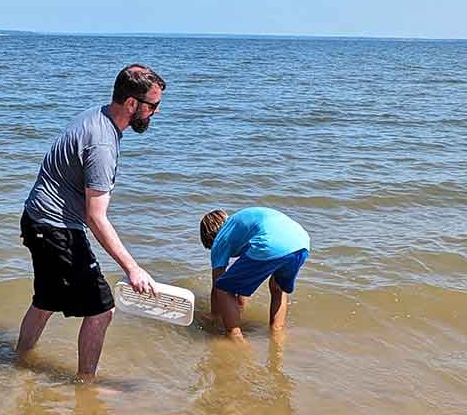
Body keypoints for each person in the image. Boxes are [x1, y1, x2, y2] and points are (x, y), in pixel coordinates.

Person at [16, 64, 167, 380]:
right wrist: (133, 269)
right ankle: (86, 385)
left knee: (46, 301)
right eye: (153, 106)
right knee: (102, 309)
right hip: (54, 227)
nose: (156, 112)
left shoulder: (99, 116)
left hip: (37, 219)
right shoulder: (102, 144)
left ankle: (20, 362)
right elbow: (95, 218)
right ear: (131, 103)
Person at [199, 207, 310, 341]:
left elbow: (217, 287)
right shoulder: (240, 226)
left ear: (210, 238)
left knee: (223, 288)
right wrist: (239, 307)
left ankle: (235, 337)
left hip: (270, 242)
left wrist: (214, 317)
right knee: (277, 287)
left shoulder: (220, 239)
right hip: (301, 242)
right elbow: (241, 285)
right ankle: (277, 335)